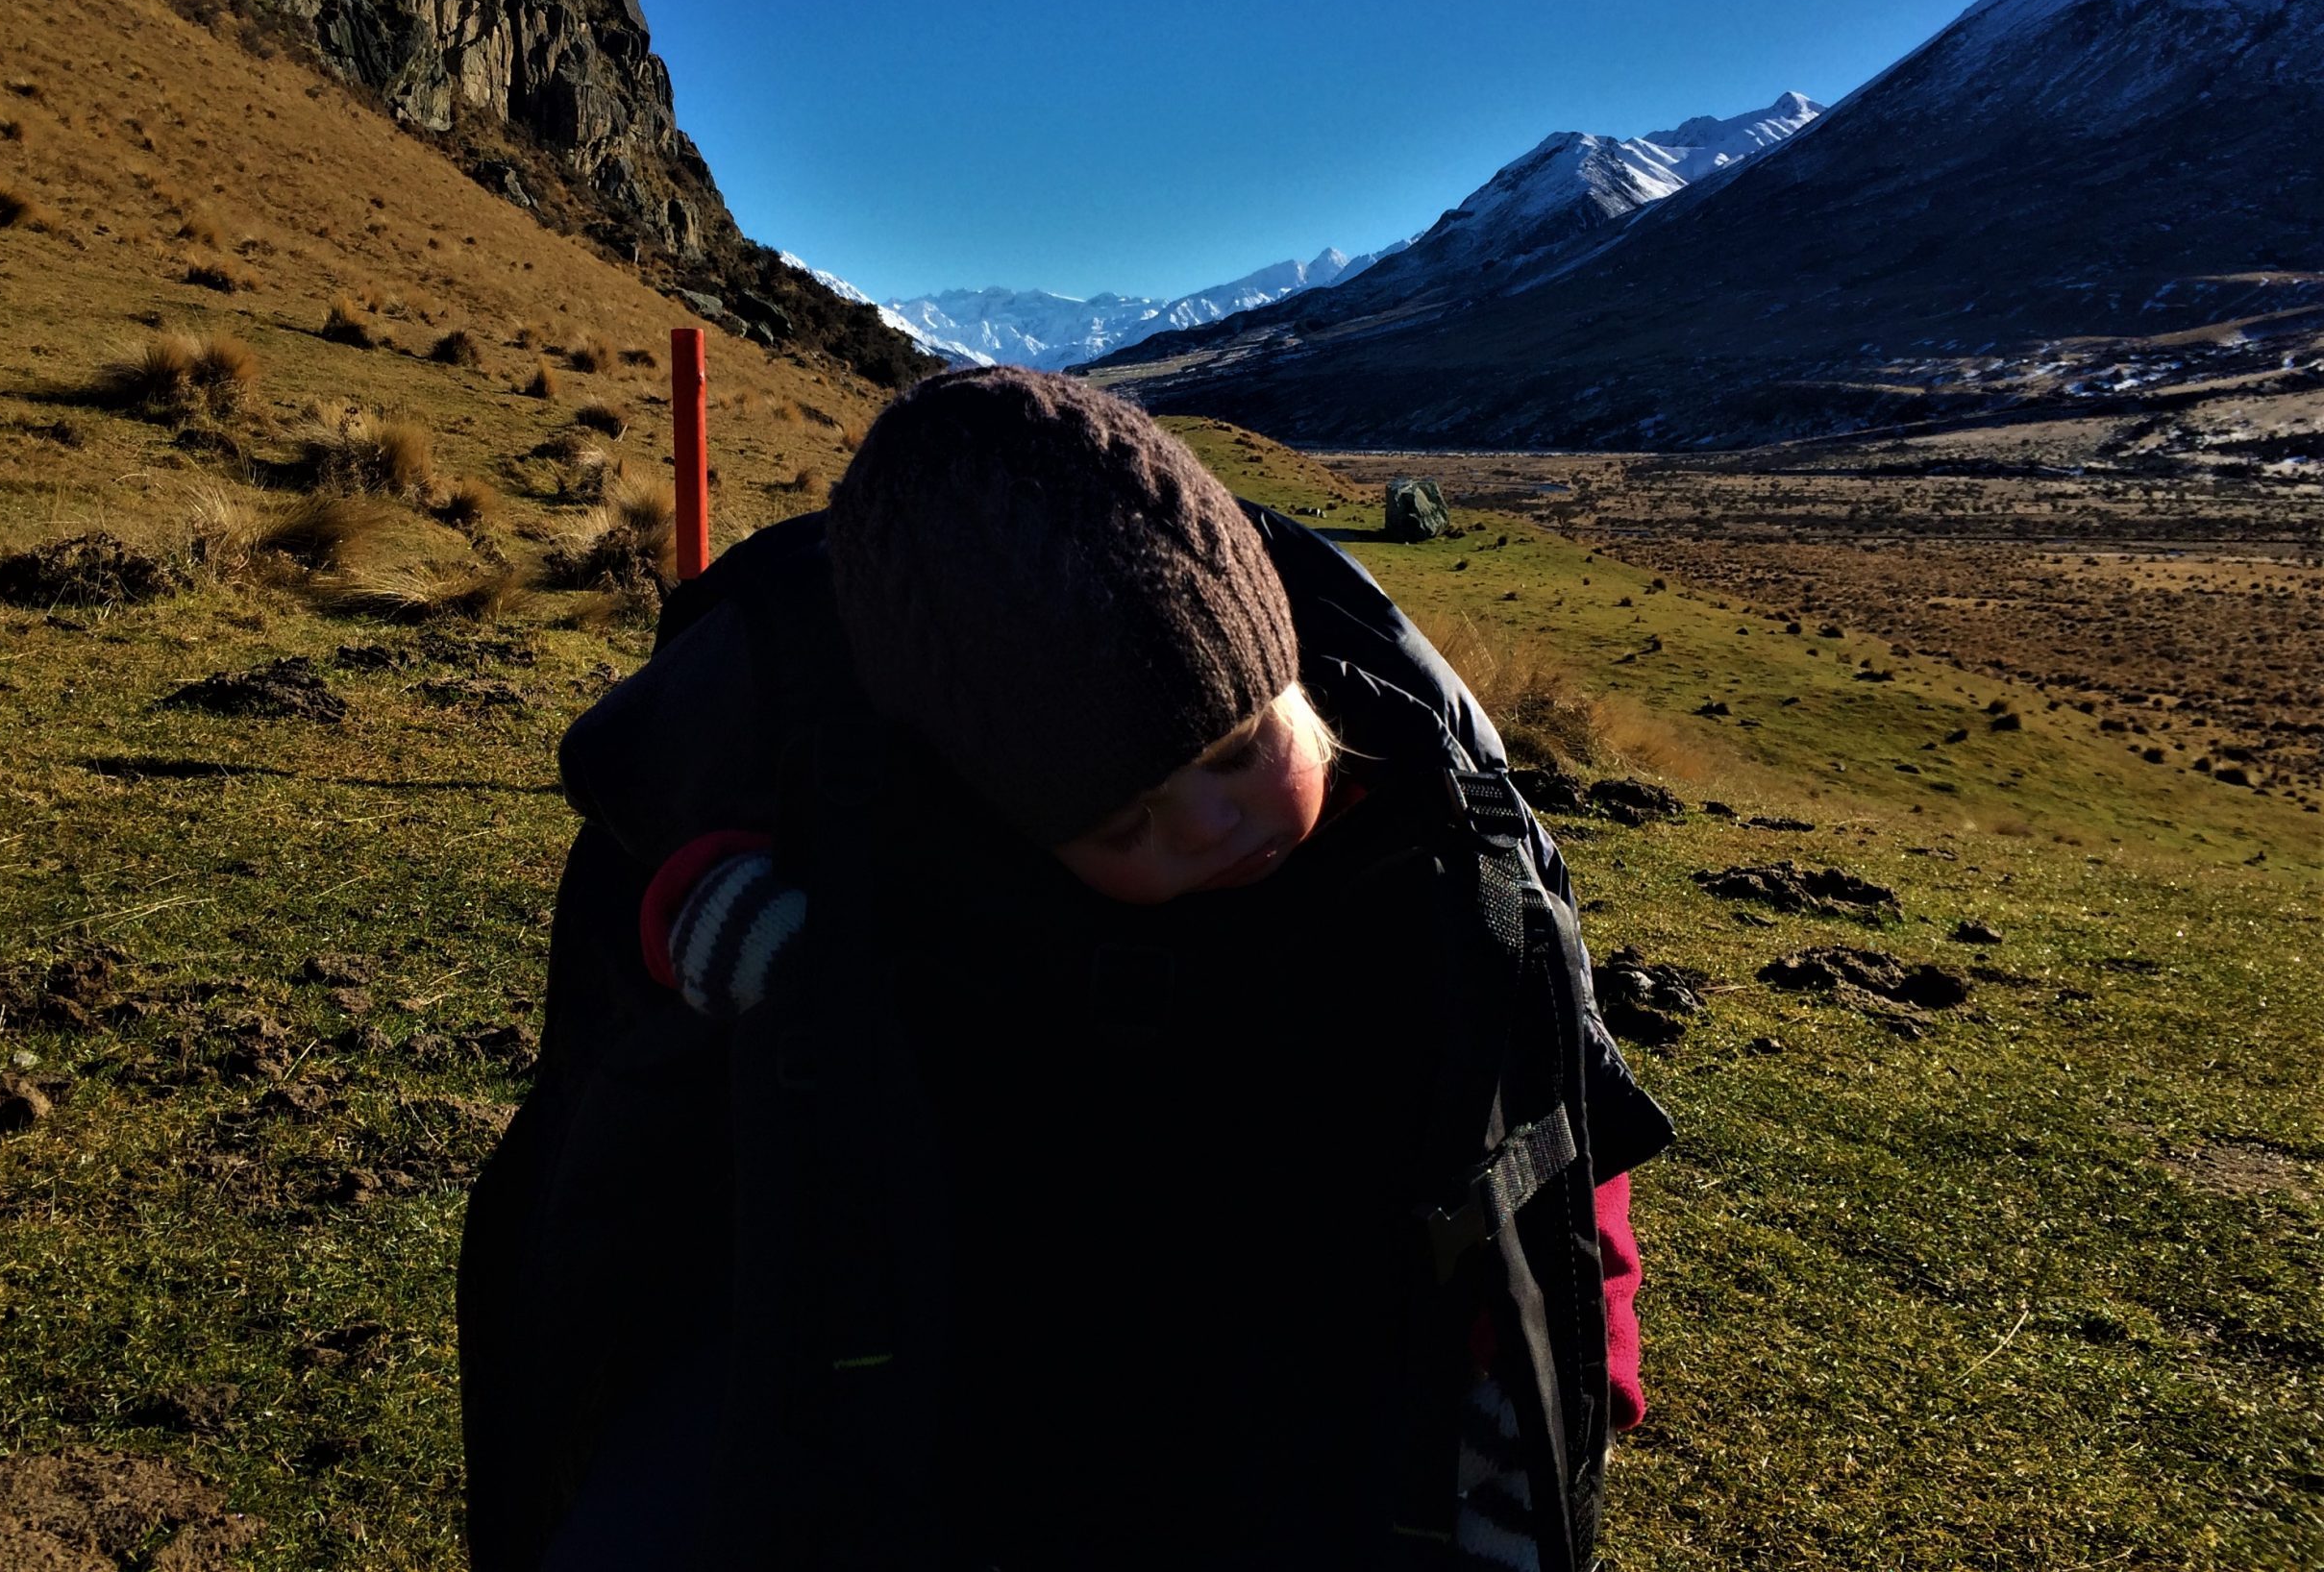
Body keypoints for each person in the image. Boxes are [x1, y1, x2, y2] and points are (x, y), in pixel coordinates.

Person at [458, 366, 1671, 1571]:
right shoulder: (944, 876)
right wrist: (727, 918)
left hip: (1325, 1354)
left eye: (1238, 750)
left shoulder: (1430, 867)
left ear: (1291, 680)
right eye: (1125, 824)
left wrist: (1566, 1380)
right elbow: (690, 923)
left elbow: (1551, 1133)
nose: (1211, 827)